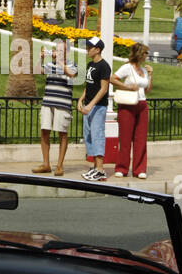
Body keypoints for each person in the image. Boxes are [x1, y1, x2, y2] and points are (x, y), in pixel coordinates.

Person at [33, 41, 77, 176]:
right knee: (44, 131)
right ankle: (46, 164)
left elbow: (71, 74)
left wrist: (60, 62)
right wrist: (40, 57)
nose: (56, 52)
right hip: (48, 103)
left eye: (60, 51)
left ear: (66, 52)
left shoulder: (72, 65)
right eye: (55, 50)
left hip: (63, 104)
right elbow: (35, 71)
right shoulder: (49, 65)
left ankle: (59, 165)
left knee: (62, 133)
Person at [112, 42, 152, 179]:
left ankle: (139, 169)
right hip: (127, 105)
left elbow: (147, 89)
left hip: (142, 104)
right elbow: (113, 79)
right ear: (140, 54)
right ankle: (122, 168)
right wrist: (127, 87)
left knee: (141, 138)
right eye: (146, 53)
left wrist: (150, 76)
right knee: (125, 138)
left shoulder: (145, 71)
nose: (147, 56)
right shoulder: (127, 68)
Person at [78, 36, 111, 181]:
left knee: (97, 136)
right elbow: (89, 85)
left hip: (98, 107)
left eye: (89, 47)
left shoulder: (104, 66)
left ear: (97, 49)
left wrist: (91, 105)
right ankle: (95, 167)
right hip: (89, 105)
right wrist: (81, 99)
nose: (87, 49)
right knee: (89, 136)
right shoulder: (90, 64)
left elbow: (104, 89)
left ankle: (100, 170)